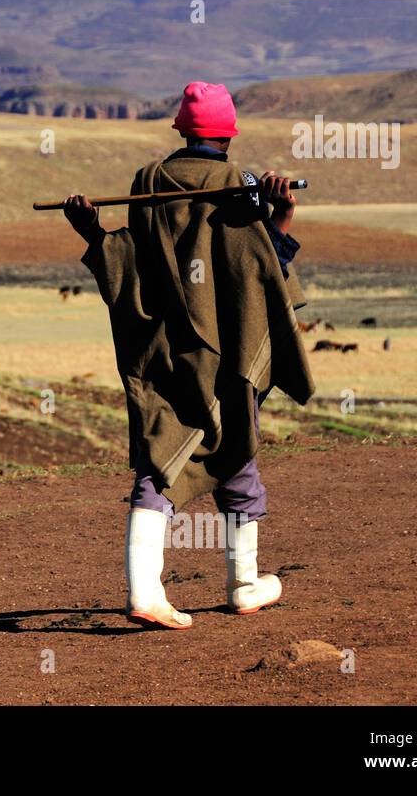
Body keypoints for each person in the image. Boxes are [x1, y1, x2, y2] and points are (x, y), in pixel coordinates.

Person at [63, 82, 315, 629]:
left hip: (164, 350)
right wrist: (281, 216)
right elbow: (260, 267)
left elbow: (127, 260)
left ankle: (145, 590)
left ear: (180, 129)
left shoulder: (147, 183)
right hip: (228, 352)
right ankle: (244, 584)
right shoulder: (240, 186)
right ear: (229, 133)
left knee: (161, 456)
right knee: (238, 451)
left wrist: (91, 233)